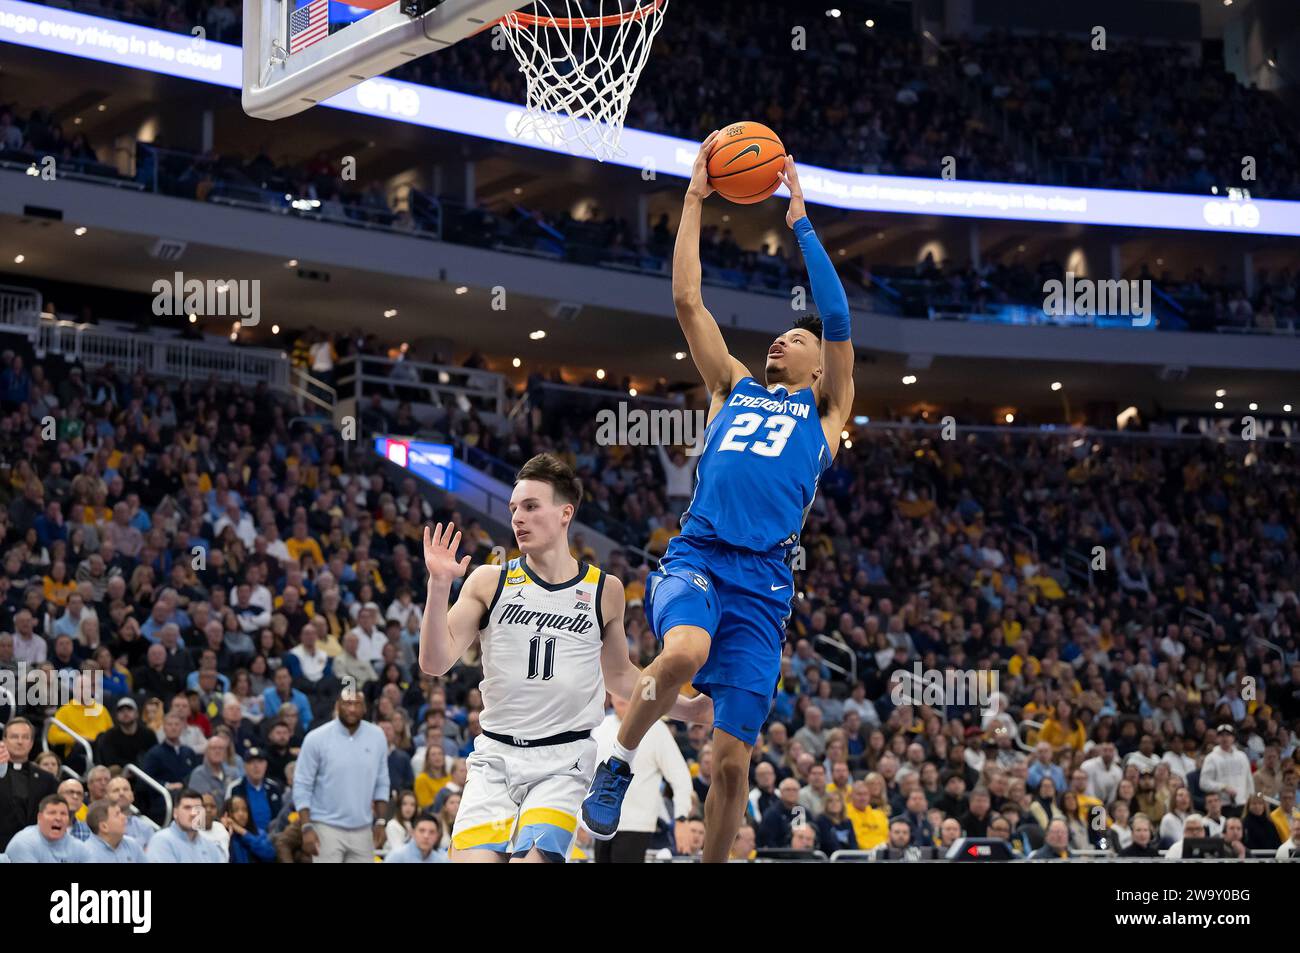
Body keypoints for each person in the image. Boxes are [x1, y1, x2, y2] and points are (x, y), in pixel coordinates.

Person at [582, 138, 854, 864]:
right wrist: (696, 199)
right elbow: (685, 299)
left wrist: (800, 221)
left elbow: (837, 318)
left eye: (794, 337)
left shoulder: (828, 409)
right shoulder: (732, 385)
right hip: (699, 554)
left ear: (818, 364)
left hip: (763, 585)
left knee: (731, 760)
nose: (781, 339)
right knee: (685, 649)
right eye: (778, 334)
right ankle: (617, 761)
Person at [418, 455, 706, 864]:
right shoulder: (489, 581)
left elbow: (622, 677)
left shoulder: (604, 589)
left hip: (563, 762)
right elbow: (433, 662)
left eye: (531, 506)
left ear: (565, 512)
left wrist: (685, 709)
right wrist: (438, 585)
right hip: (494, 759)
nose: (518, 518)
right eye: (514, 508)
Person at [591, 692, 693, 863]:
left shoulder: (656, 729)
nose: (621, 697)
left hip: (636, 824)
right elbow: (588, 774)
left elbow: (680, 775)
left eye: (626, 692)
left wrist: (681, 817)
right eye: (616, 692)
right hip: (598, 822)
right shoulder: (600, 727)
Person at [292, 692, 390, 863]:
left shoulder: (377, 736)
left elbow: (382, 781)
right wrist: (306, 826)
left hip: (363, 827)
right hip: (325, 826)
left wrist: (381, 821)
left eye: (357, 704)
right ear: (337, 706)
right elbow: (302, 784)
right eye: (347, 704)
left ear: (365, 708)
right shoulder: (316, 738)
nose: (351, 709)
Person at [0, 718, 60, 851]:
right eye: (14, 737)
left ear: (32, 743)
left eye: (25, 737)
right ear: (4, 741)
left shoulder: (47, 779)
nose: (20, 741)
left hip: (37, 850)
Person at [147, 789, 225, 862]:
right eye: (187, 808)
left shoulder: (210, 846)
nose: (193, 813)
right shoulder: (162, 841)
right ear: (175, 813)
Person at [5, 795, 88, 863]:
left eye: (63, 814)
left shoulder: (78, 847)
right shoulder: (23, 843)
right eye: (52, 813)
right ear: (39, 817)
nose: (58, 818)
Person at [1199, 724, 1253, 812]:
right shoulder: (1211, 758)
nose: (1225, 738)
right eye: (1221, 735)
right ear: (1217, 738)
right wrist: (1223, 787)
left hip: (1243, 803)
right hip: (1223, 805)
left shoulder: (1242, 756)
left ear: (1233, 738)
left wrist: (1251, 800)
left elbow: (1249, 780)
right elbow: (1204, 783)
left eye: (1228, 735)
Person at [96, 697, 157, 769]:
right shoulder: (110, 736)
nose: (125, 713)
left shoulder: (148, 734)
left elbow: (155, 757)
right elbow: (109, 761)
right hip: (121, 773)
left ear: (137, 714)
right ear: (117, 716)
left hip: (144, 771)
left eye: (129, 709)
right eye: (121, 710)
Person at [82, 799, 146, 862]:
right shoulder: (87, 854)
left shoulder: (131, 844)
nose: (124, 817)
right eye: (117, 814)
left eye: (121, 812)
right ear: (104, 827)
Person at [224, 794, 276, 863]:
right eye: (235, 810)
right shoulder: (223, 835)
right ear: (227, 814)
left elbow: (270, 854)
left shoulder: (259, 833)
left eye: (245, 809)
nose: (241, 814)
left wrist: (244, 833)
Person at [385, 812, 449, 863]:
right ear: (412, 833)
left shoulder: (442, 859)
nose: (426, 836)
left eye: (431, 832)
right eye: (421, 831)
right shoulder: (397, 856)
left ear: (437, 836)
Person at [814, 788, 858, 856]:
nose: (834, 803)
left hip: (849, 858)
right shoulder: (821, 820)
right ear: (825, 804)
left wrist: (854, 857)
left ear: (842, 804)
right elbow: (829, 846)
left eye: (838, 801)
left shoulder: (847, 822)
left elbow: (853, 844)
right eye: (830, 801)